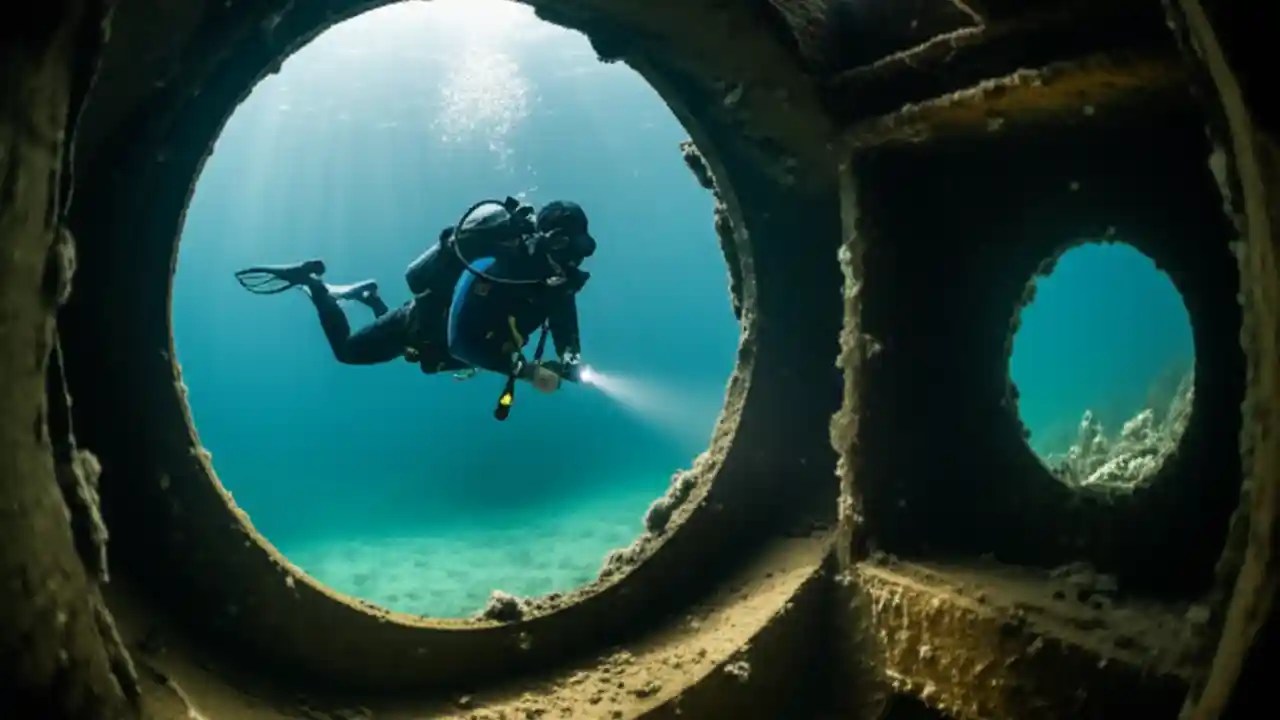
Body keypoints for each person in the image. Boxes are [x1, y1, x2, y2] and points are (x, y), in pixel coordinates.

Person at [233, 198, 595, 400]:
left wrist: (571, 359)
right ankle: (313, 283)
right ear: (549, 238)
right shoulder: (495, 265)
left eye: (580, 249)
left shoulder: (553, 281)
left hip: (438, 341)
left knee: (416, 351)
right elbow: (459, 340)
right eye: (566, 246)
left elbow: (564, 321)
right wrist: (525, 371)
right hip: (418, 326)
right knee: (347, 352)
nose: (571, 260)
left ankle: (369, 296)